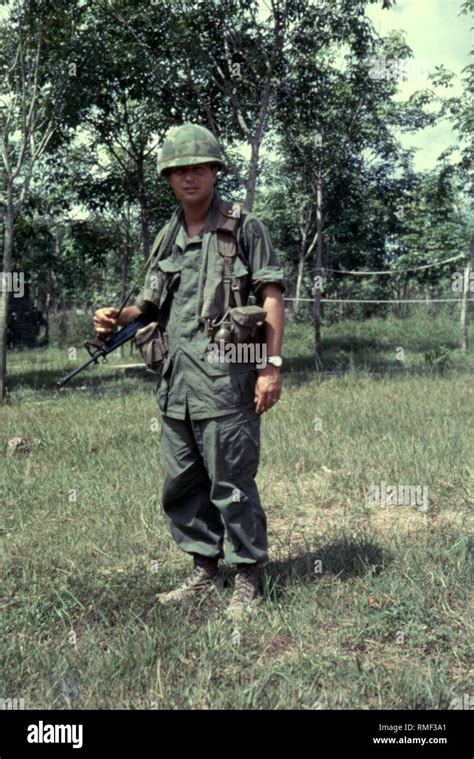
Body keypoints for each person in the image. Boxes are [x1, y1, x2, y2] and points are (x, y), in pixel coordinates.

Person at [93, 123, 285, 622]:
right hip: (176, 384)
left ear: (216, 171)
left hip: (228, 380)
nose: (189, 177)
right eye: (179, 170)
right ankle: (204, 569)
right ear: (169, 178)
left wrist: (271, 367)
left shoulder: (245, 227)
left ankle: (247, 576)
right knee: (181, 483)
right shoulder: (167, 234)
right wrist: (118, 317)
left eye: (198, 167)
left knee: (232, 481)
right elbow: (149, 301)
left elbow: (271, 297)